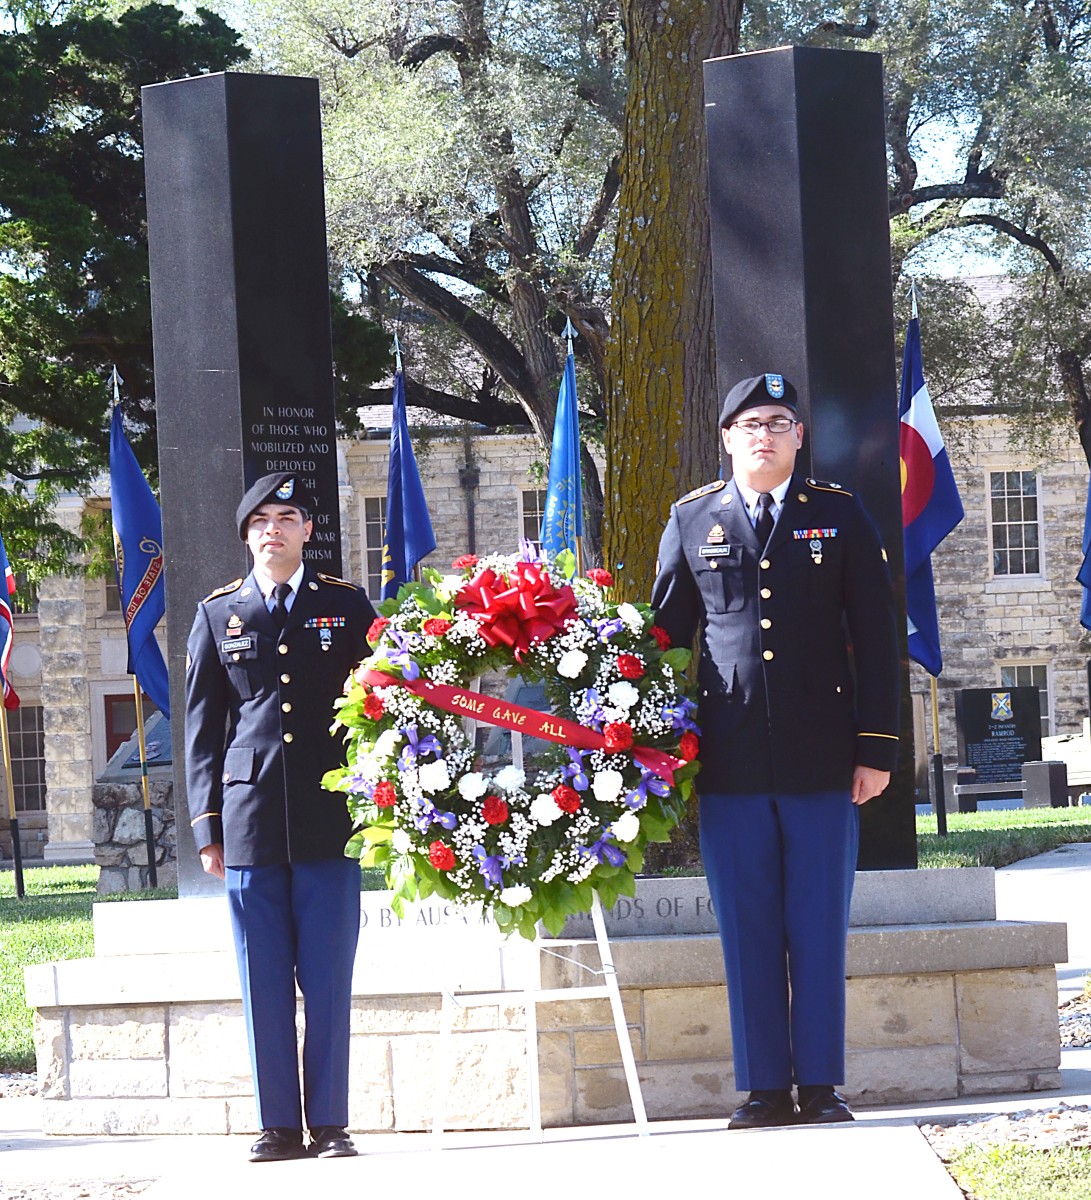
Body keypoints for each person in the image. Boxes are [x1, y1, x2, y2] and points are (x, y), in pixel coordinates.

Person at [651, 373, 899, 1128]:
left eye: (780, 422)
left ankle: (820, 1085)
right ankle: (762, 1086)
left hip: (823, 756)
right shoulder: (692, 519)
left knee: (818, 921)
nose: (765, 434)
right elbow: (662, 639)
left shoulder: (838, 514)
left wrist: (877, 747)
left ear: (798, 437)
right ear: (726, 437)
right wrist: (656, 749)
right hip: (726, 761)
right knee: (747, 924)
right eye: (750, 423)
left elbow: (877, 637)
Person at [185, 472, 376, 1161]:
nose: (273, 529)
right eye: (260, 519)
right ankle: (276, 1125)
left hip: (330, 814)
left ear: (307, 531)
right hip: (250, 817)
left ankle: (328, 1122)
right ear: (245, 535)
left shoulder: (348, 606)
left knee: (326, 976)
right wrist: (207, 828)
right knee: (261, 978)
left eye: (286, 517)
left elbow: (382, 708)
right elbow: (202, 728)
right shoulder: (218, 613)